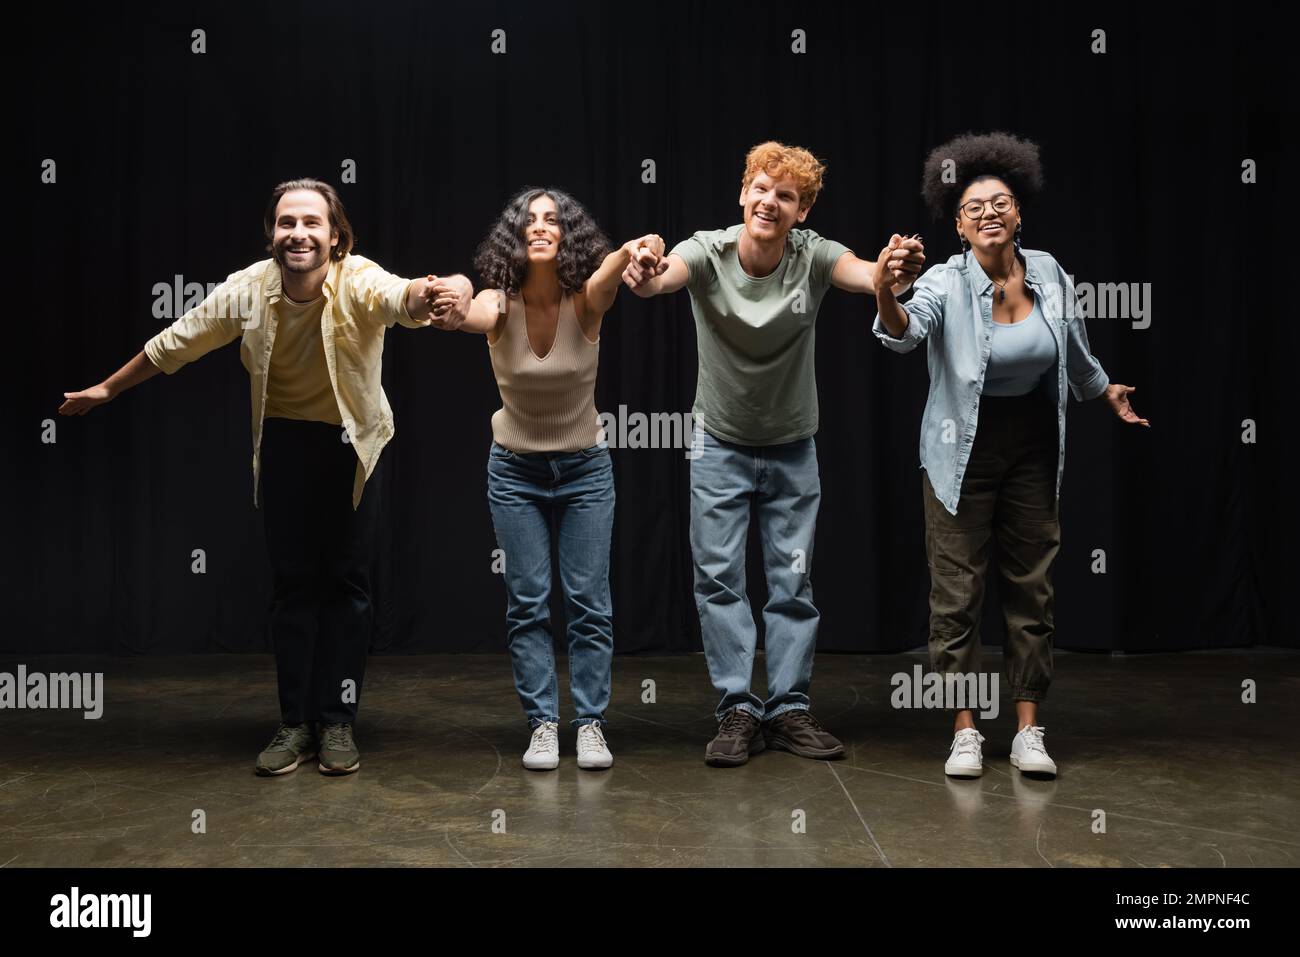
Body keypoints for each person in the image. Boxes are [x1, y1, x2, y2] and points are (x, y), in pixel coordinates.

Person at [58, 178, 471, 776]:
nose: (297, 233)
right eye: (285, 223)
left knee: (347, 587)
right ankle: (294, 723)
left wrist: (443, 291)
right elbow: (177, 342)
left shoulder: (359, 279)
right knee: (294, 588)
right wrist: (107, 388)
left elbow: (404, 299)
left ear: (336, 236)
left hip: (354, 445)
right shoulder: (248, 290)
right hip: (283, 443)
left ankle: (337, 722)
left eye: (310, 222)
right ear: (272, 234)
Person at [623, 141, 925, 766]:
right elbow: (660, 281)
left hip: (791, 447)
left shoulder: (812, 258)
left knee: (792, 581)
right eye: (761, 188)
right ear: (743, 193)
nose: (770, 201)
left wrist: (891, 271)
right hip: (718, 448)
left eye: (786, 196)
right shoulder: (705, 251)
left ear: (802, 211)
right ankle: (738, 707)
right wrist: (646, 263)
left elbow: (867, 275)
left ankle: (787, 709)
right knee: (718, 580)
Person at [873, 132, 1149, 779]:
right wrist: (886, 288)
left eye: (1000, 203)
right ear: (960, 225)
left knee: (1032, 588)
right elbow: (902, 334)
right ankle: (966, 729)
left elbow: (1073, 348)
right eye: (974, 208)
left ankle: (1028, 727)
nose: (989, 213)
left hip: (1032, 444)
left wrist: (1103, 389)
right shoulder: (944, 278)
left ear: (1019, 213)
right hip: (958, 450)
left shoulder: (1049, 272)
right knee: (957, 594)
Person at [444, 187, 666, 771]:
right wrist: (445, 306)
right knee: (529, 601)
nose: (539, 228)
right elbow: (472, 314)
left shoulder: (586, 301)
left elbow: (612, 272)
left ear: (569, 235)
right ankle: (543, 723)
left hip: (585, 470)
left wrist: (636, 250)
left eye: (552, 220)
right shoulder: (498, 302)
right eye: (528, 221)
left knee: (588, 600)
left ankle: (589, 722)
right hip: (514, 471)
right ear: (512, 237)